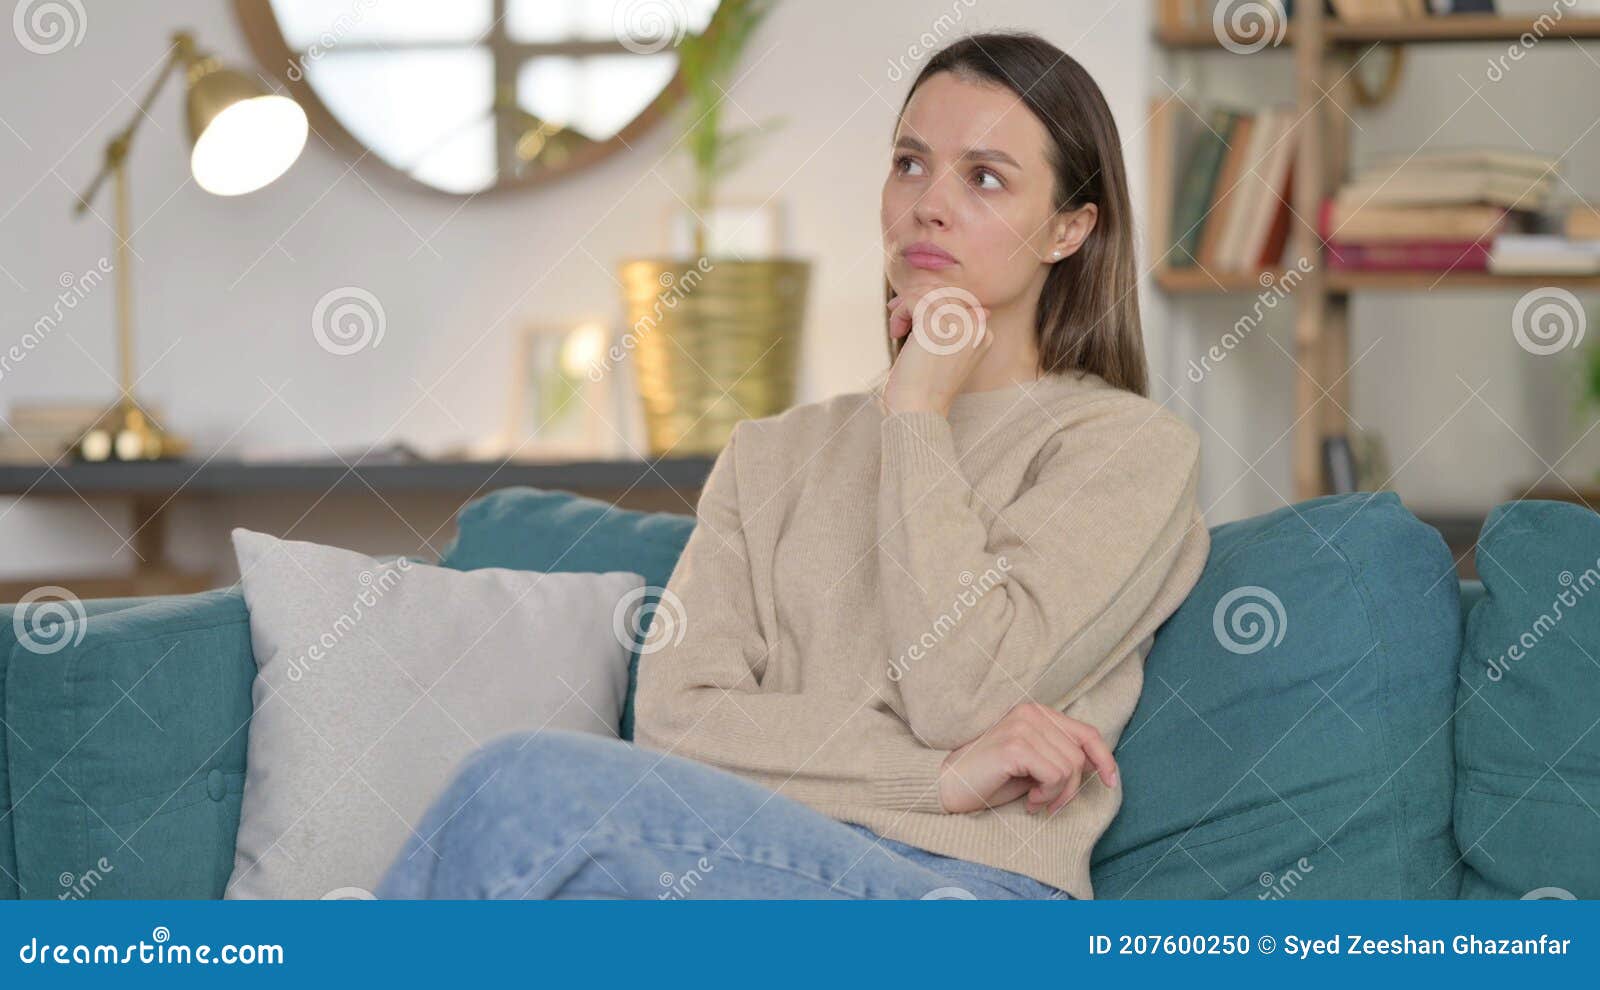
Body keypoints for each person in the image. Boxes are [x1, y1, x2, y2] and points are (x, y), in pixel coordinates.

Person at [379, 29, 1210, 901]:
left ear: (1070, 228)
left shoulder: (1125, 450)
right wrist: (938, 779)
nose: (929, 204)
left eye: (986, 177)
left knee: (520, 789)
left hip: (966, 891)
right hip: (736, 865)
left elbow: (962, 692)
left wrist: (918, 411)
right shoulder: (771, 453)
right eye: (909, 164)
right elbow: (680, 725)